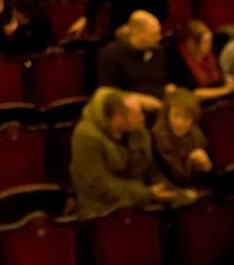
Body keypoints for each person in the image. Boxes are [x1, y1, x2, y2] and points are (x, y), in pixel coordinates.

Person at [70, 88, 182, 218]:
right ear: (118, 118)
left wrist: (172, 192)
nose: (142, 118)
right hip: (100, 207)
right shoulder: (86, 136)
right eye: (137, 115)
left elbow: (150, 169)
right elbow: (98, 185)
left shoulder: (138, 132)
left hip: (138, 198)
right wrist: (146, 194)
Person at [96, 10, 170, 104]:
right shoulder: (111, 54)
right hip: (128, 110)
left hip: (161, 107)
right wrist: (140, 101)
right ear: (136, 31)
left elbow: (165, 81)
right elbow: (107, 95)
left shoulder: (158, 50)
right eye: (154, 35)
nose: (159, 38)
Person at [151, 89, 212, 186]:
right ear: (167, 115)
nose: (180, 122)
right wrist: (191, 161)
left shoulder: (198, 136)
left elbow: (207, 177)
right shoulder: (159, 137)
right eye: (176, 116)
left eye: (186, 117)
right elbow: (177, 177)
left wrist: (207, 166)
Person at [167, 21, 234, 100]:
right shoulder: (178, 60)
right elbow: (191, 93)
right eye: (205, 42)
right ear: (191, 43)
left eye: (210, 41)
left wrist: (227, 81)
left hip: (216, 99)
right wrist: (224, 90)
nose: (210, 46)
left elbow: (218, 77)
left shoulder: (209, 57)